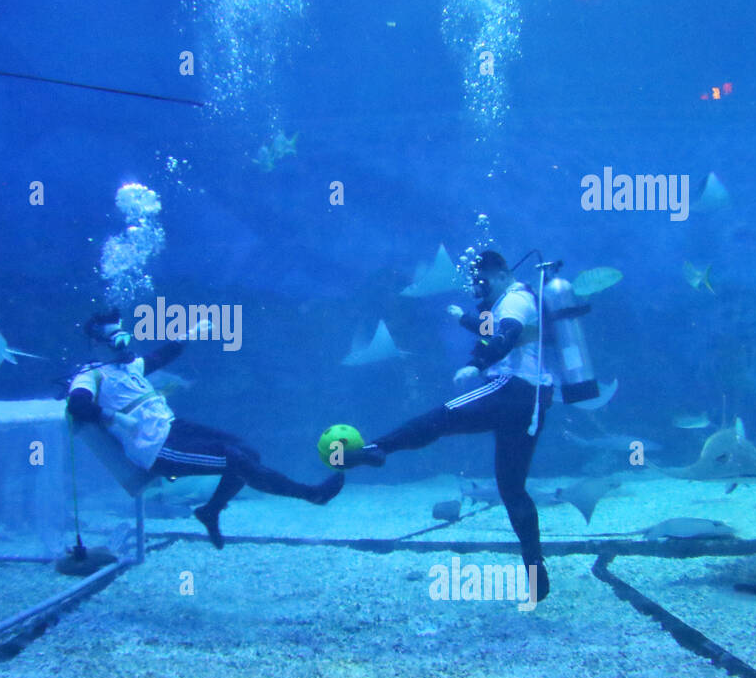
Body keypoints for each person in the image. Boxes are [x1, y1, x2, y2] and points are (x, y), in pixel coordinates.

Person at [339, 251, 553, 599]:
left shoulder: (513, 300)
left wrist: (476, 363)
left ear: (499, 274)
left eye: (482, 282)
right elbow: (495, 329)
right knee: (513, 489)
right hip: (535, 399)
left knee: (442, 418)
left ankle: (379, 448)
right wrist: (463, 318)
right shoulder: (524, 297)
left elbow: (507, 334)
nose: (479, 289)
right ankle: (536, 573)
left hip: (509, 388)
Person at [66, 308, 344, 548]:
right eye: (115, 339)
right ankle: (311, 494)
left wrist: (192, 331)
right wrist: (115, 417)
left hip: (173, 427)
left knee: (247, 451)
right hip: (157, 448)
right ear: (96, 343)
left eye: (123, 336)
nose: (123, 344)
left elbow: (162, 356)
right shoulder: (90, 375)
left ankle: (210, 511)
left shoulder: (128, 368)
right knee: (236, 459)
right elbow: (78, 406)